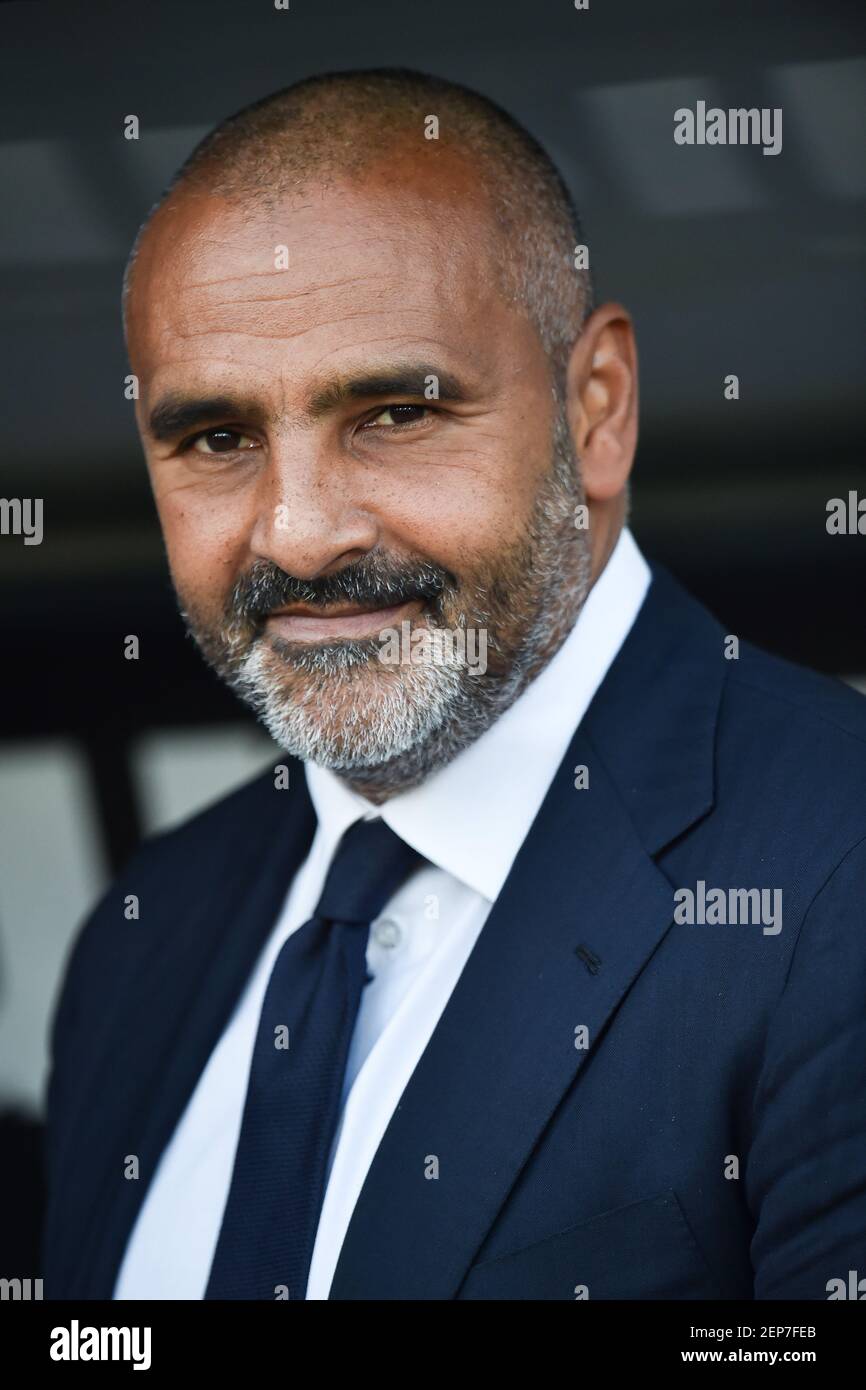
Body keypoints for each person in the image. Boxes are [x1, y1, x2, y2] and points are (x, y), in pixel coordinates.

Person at [42, 67, 866, 1301]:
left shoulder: (835, 871)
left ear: (594, 410)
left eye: (394, 413)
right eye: (216, 438)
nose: (298, 535)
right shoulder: (142, 936)